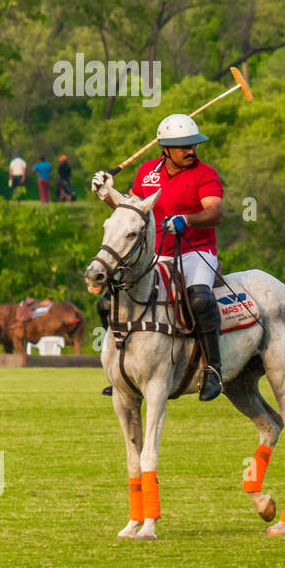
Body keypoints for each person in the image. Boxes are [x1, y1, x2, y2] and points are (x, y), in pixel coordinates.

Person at [90, 114, 226, 401]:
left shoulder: (205, 174)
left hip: (195, 252)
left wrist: (186, 220)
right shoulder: (147, 172)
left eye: (193, 145)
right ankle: (120, 370)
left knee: (200, 299)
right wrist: (105, 192)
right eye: (184, 147)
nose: (191, 151)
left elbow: (215, 212)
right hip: (156, 256)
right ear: (165, 149)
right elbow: (130, 209)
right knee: (108, 303)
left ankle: (213, 369)